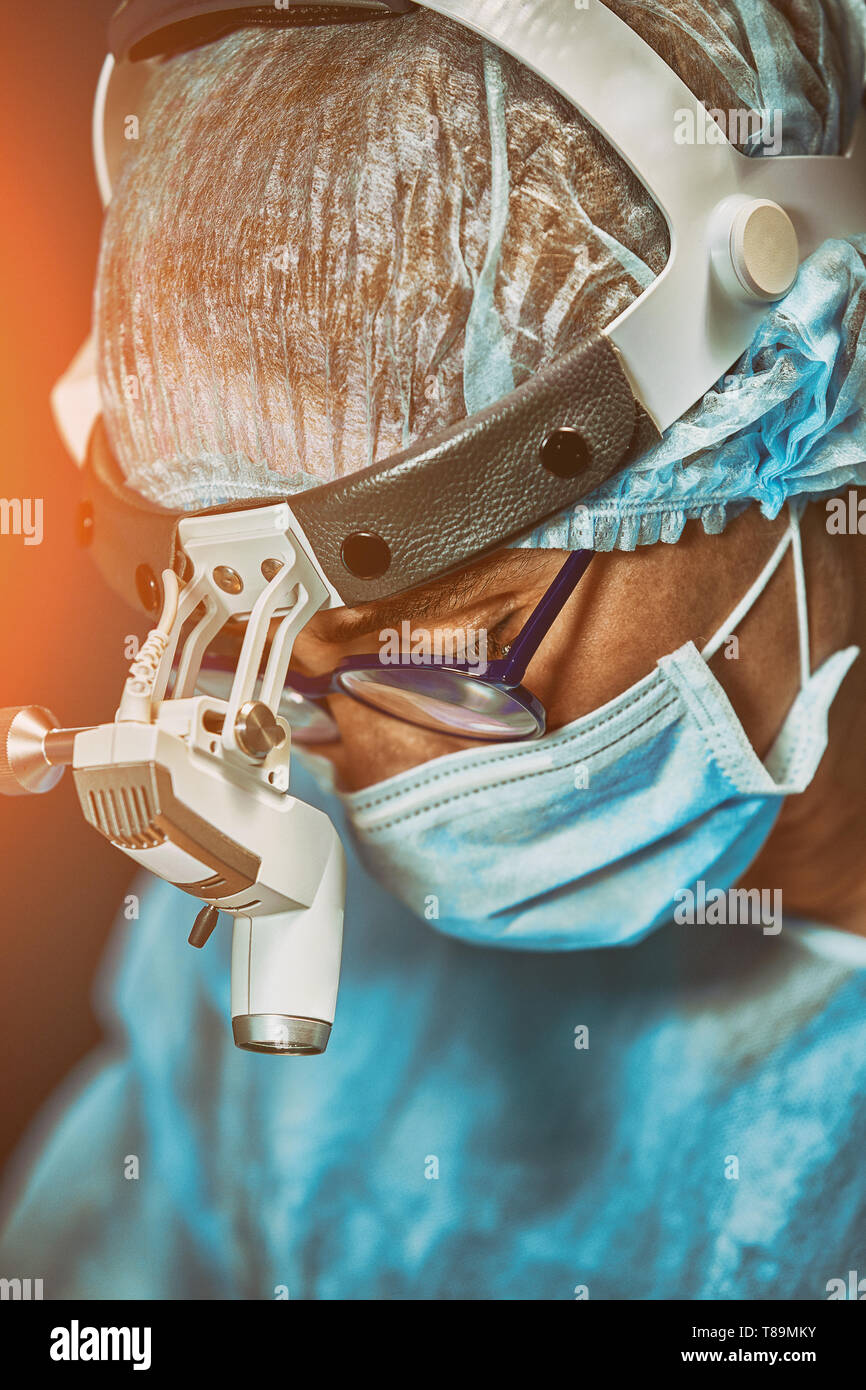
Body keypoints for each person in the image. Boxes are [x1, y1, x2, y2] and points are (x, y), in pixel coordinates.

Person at [1, 0, 866, 1299]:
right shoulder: (273, 948)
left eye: (444, 657)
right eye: (260, 649)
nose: (345, 768)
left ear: (795, 409)